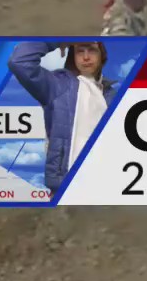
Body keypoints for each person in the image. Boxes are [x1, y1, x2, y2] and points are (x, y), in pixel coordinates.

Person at [8, 41, 115, 193]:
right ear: (73, 56)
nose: (86, 57)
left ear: (101, 55)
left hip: (105, 187)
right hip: (65, 187)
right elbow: (19, 61)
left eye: (91, 50)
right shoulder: (57, 85)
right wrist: (58, 40)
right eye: (80, 51)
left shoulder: (112, 96)